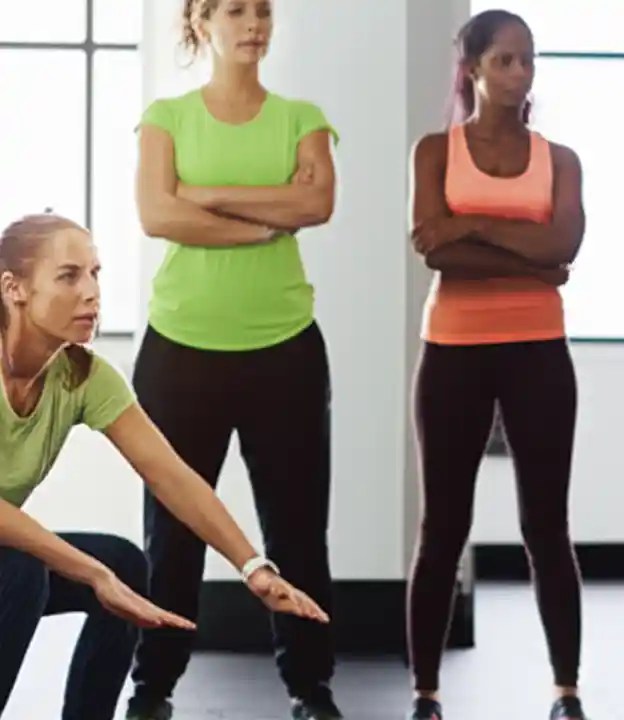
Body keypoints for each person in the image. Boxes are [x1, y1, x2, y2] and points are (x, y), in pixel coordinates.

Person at [0, 213, 329, 720]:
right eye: (68, 276)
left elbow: (170, 474)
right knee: (26, 571)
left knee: (126, 564)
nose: (91, 292)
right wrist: (93, 573)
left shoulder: (83, 376)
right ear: (14, 288)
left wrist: (253, 568)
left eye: (95, 274)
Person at [126, 1, 342, 718]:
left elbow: (316, 204)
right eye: (235, 10)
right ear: (201, 21)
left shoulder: (302, 119)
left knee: (297, 530)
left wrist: (210, 197)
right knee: (172, 534)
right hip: (180, 351)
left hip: (285, 350)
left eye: (263, 11)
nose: (254, 24)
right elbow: (157, 214)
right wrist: (261, 225)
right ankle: (152, 687)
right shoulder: (166, 119)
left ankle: (310, 687)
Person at [405, 9, 588, 720]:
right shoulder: (435, 152)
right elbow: (435, 249)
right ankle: (426, 694)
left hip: (539, 351)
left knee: (547, 528)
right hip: (453, 350)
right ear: (473, 68)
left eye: (528, 59)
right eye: (505, 60)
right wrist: (528, 254)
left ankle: (566, 691)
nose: (520, 73)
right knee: (442, 530)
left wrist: (473, 223)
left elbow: (562, 248)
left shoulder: (559, 160)